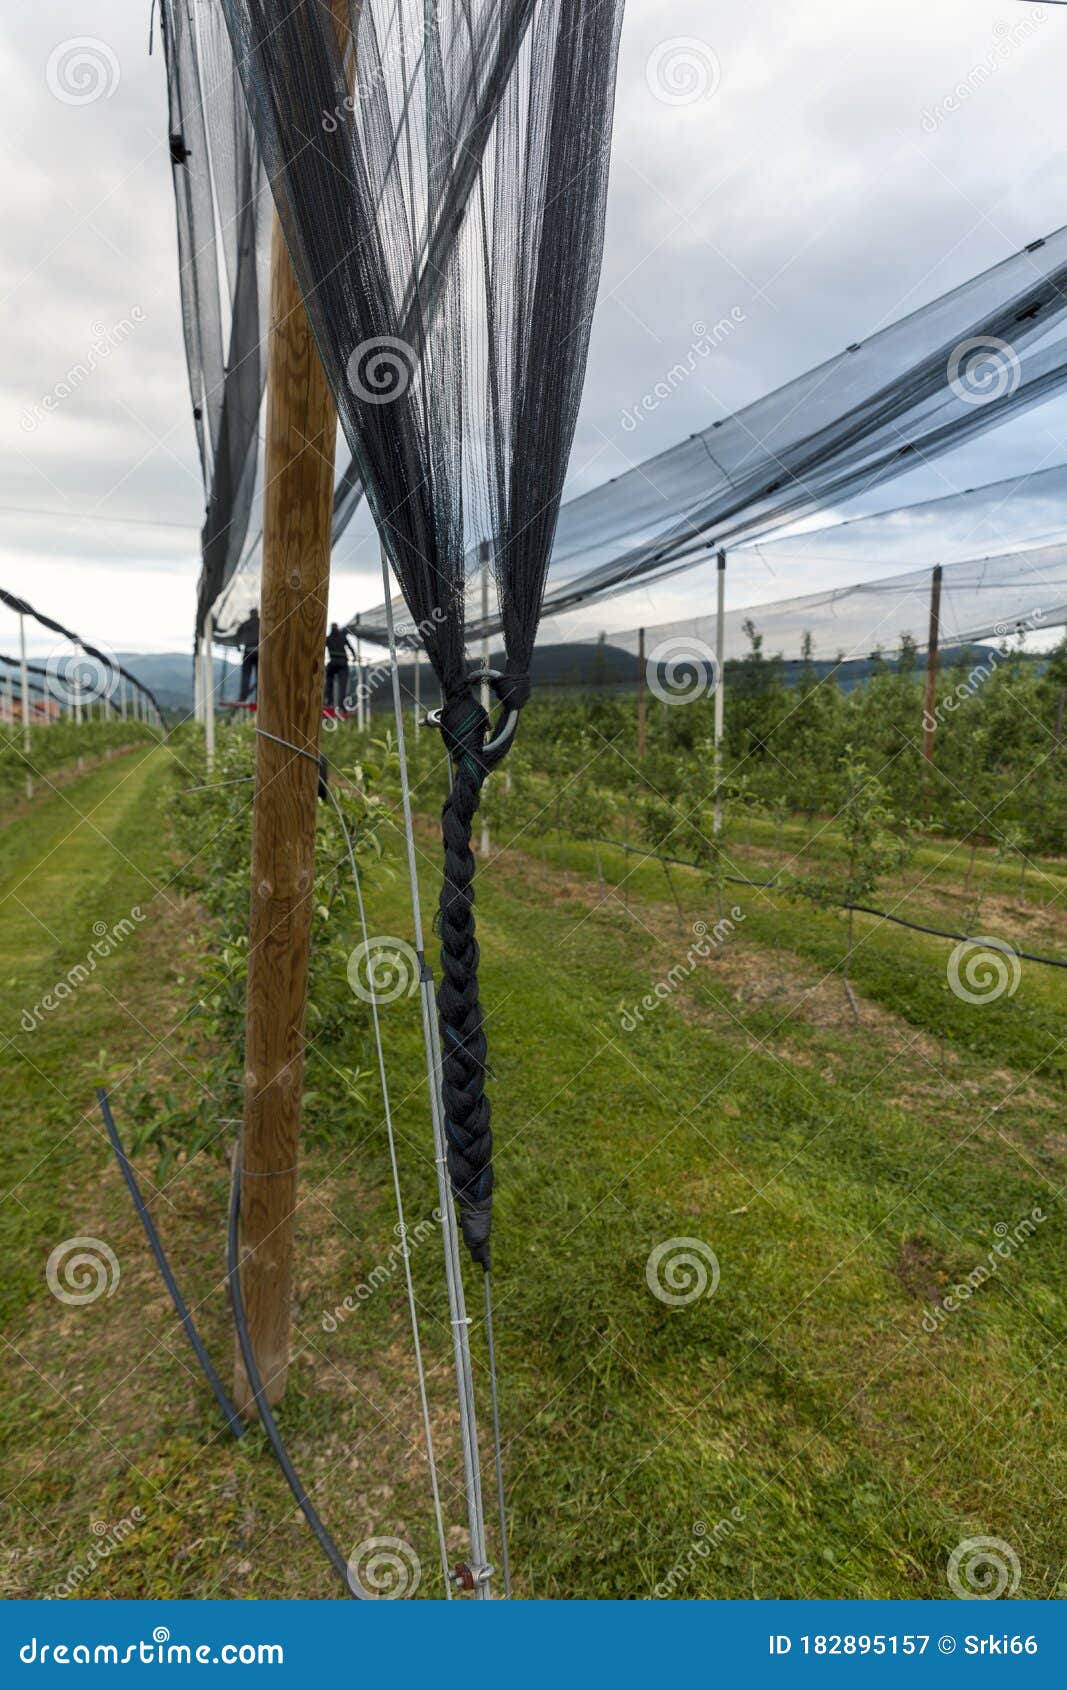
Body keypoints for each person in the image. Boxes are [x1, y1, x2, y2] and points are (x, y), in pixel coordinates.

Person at [324, 622, 357, 710]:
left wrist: (354, 656)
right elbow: (351, 647)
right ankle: (341, 705)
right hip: (342, 663)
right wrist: (354, 656)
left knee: (329, 682)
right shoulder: (342, 637)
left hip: (333, 663)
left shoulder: (328, 638)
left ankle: (329, 701)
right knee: (342, 685)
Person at [238, 610, 260, 703]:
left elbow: (238, 635)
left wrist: (238, 645)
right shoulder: (261, 622)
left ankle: (244, 697)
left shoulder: (246, 624)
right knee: (257, 677)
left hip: (250, 653)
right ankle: (255, 698)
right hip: (256, 653)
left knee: (247, 676)